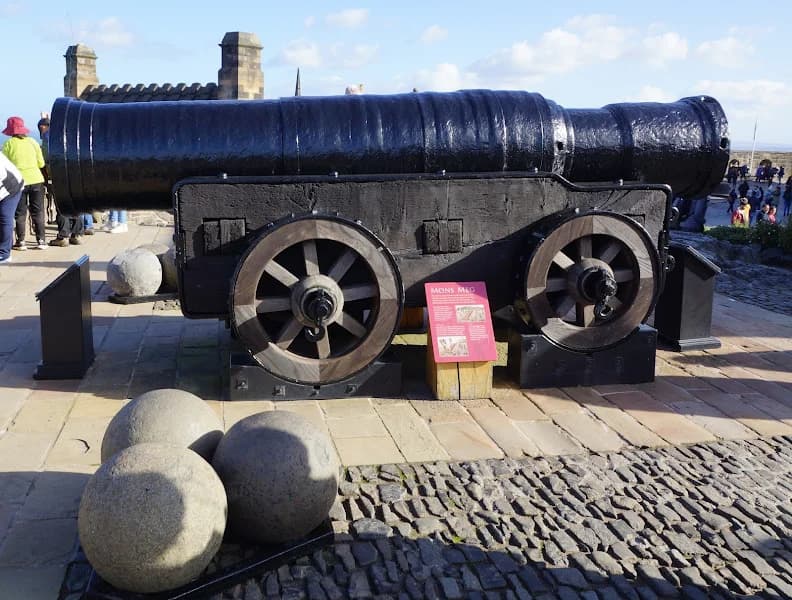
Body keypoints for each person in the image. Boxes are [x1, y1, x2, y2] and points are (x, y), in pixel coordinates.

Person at [1, 116, 47, 249]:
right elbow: (41, 163)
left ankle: (21, 241)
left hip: (19, 183)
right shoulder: (33, 142)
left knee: (20, 212)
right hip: (37, 179)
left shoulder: (9, 144)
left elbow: (4, 165)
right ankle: (41, 241)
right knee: (38, 211)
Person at [0, 152, 24, 263]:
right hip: (7, 184)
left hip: (12, 188)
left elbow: (4, 179)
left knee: (5, 218)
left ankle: (4, 254)